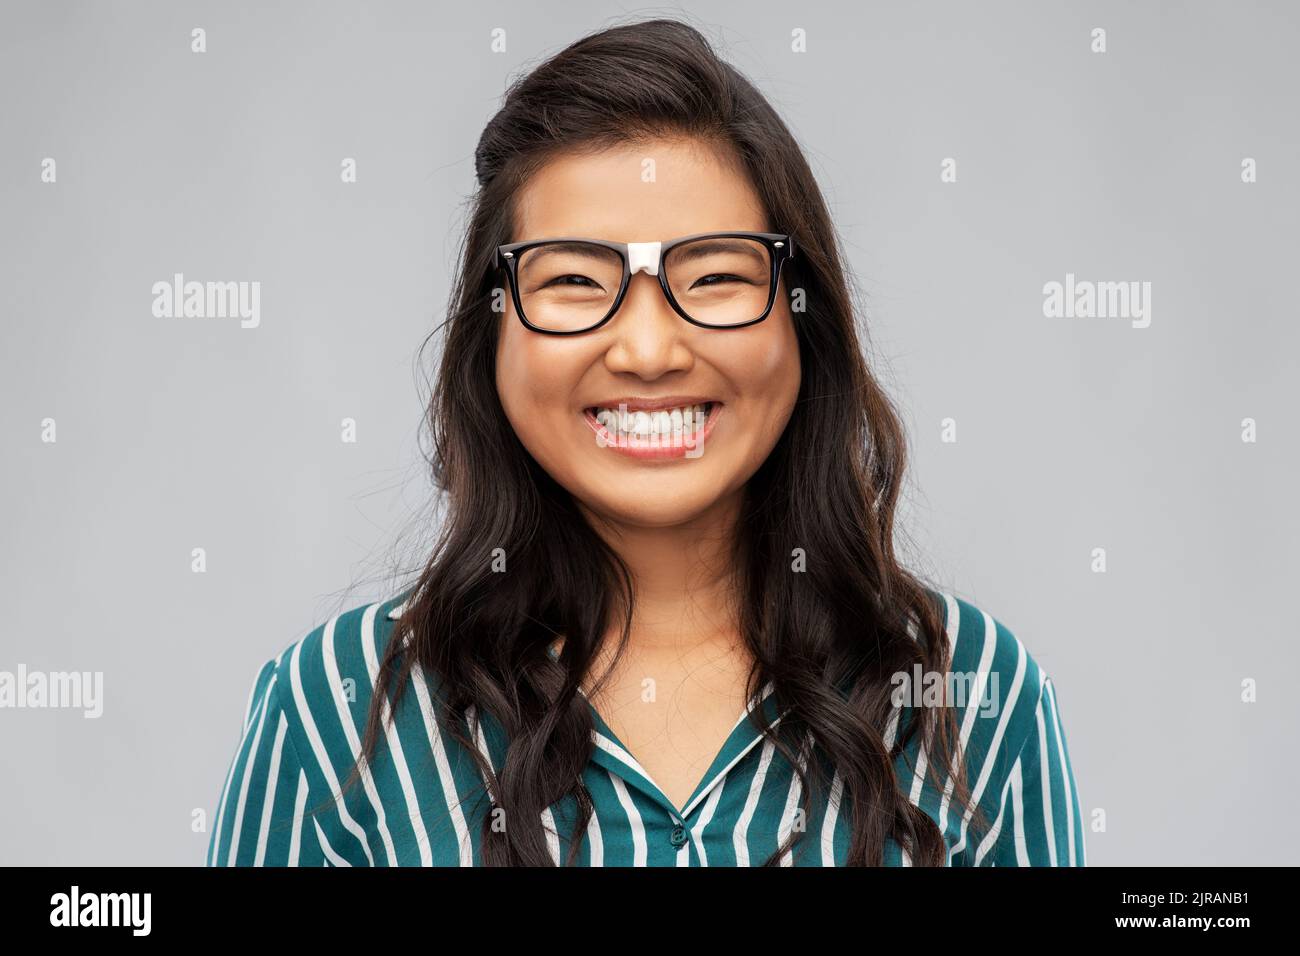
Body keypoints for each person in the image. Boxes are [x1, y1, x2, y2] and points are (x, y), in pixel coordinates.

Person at [207, 17, 1085, 867]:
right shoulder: (332, 710)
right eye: (576, 281)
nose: (650, 351)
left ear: (801, 320)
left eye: (714, 276)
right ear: (494, 332)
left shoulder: (974, 694)